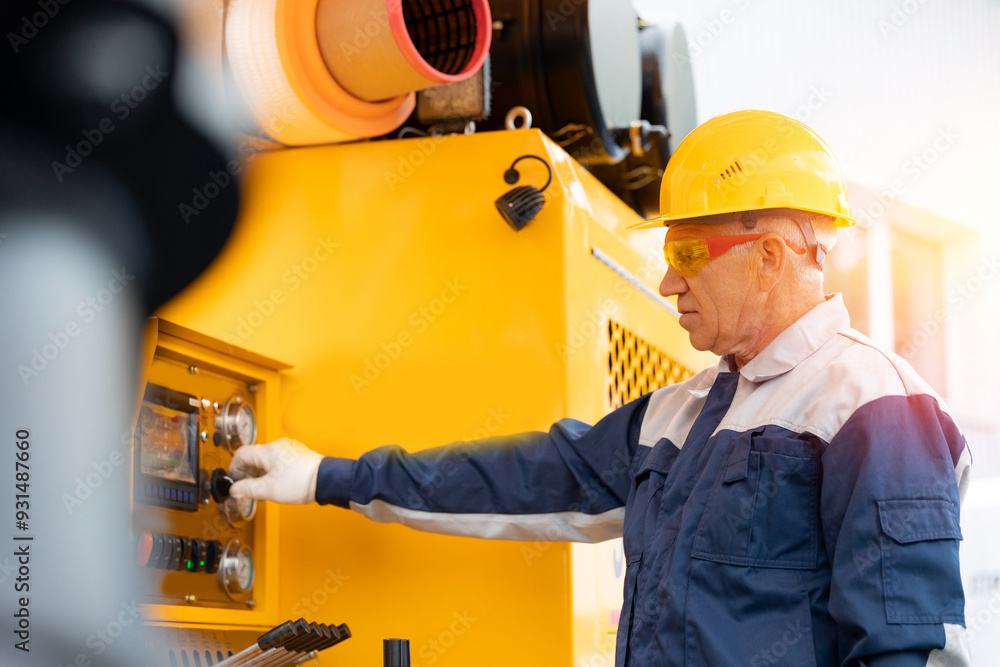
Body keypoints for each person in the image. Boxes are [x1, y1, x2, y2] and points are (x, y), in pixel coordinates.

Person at [229, 110, 972, 666]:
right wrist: (326, 476)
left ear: (770, 257)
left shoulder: (874, 407)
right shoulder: (681, 412)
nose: (667, 280)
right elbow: (517, 482)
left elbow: (907, 647)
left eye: (686, 252)